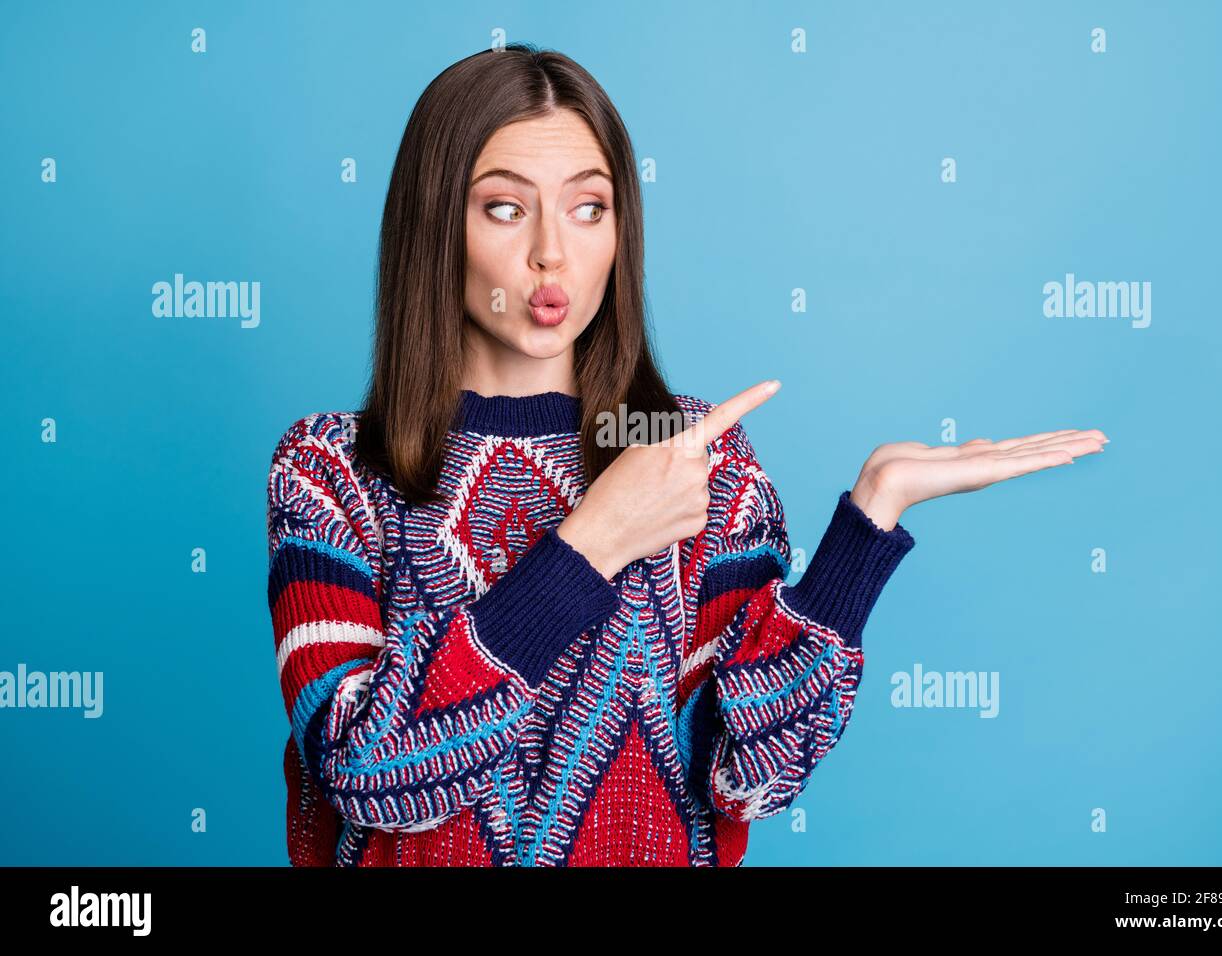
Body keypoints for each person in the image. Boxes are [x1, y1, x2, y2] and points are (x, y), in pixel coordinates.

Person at [265, 43, 1107, 867]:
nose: (551, 253)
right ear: (433, 223)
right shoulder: (330, 471)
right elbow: (367, 777)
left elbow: (747, 778)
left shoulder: (698, 457)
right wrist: (591, 545)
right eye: (505, 207)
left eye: (589, 208)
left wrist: (866, 527)